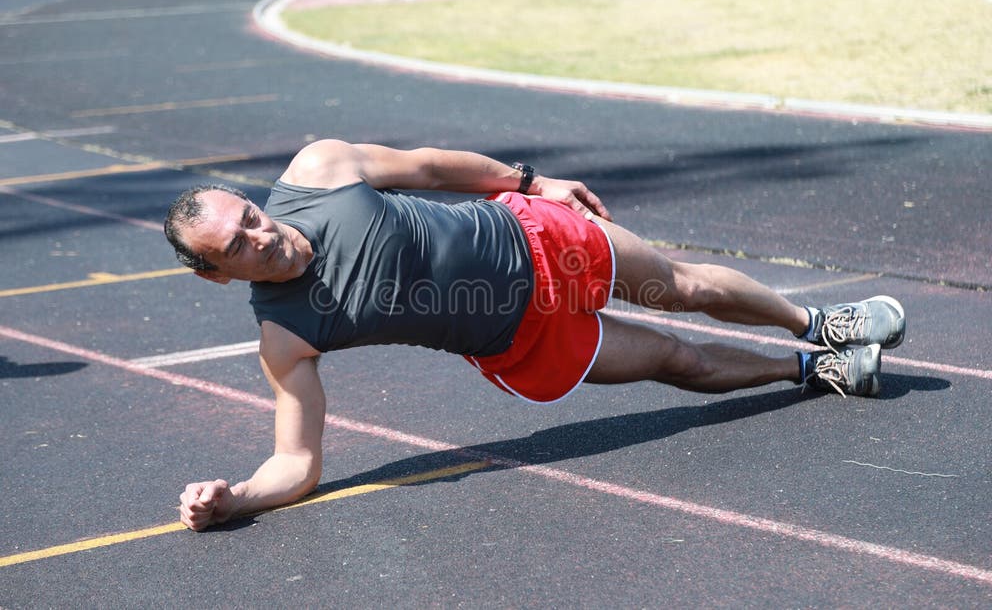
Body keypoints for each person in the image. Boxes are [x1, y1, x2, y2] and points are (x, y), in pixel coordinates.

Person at [163, 139, 906, 531]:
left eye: (250, 216)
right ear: (216, 275)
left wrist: (528, 181)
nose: (259, 236)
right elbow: (295, 461)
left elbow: (428, 165)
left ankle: (819, 321)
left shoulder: (319, 169)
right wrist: (236, 500)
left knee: (683, 288)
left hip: (542, 239)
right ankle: (807, 369)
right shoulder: (286, 336)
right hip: (522, 338)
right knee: (674, 359)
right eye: (236, 246)